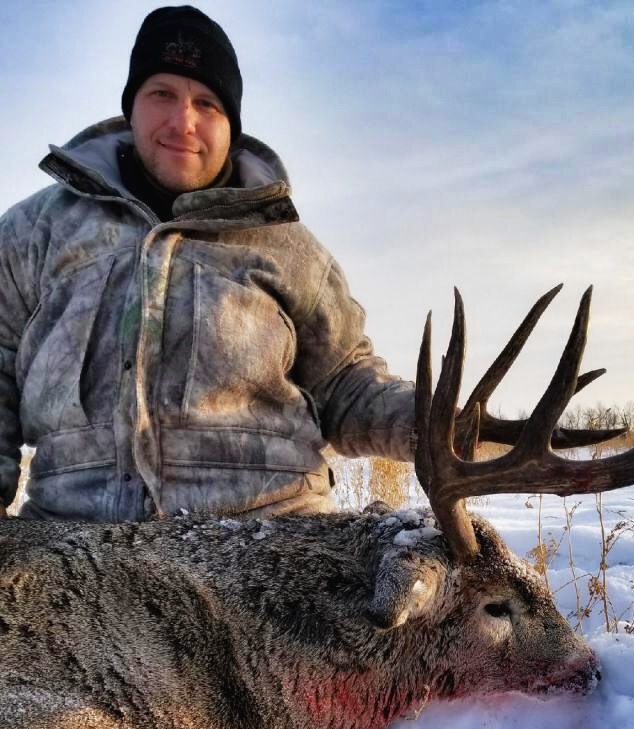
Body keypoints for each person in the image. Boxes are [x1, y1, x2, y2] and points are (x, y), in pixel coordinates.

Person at [0, 6, 417, 521]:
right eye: (162, 95)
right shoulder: (34, 232)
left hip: (276, 542)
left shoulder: (288, 248)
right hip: (79, 551)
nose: (184, 122)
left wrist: (442, 425)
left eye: (207, 103)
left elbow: (345, 386)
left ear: (230, 125)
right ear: (132, 107)